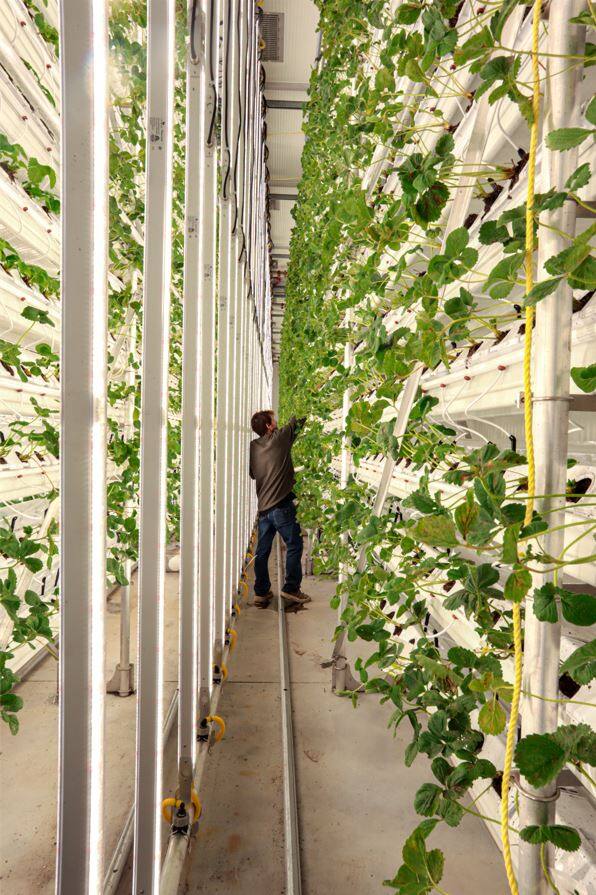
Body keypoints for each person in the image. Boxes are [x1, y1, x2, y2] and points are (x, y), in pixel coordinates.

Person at [249, 410, 311, 609]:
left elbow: (252, 473)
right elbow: (297, 422)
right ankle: (291, 588)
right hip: (281, 506)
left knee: (263, 551)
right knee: (294, 544)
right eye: (273, 420)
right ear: (269, 426)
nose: (276, 422)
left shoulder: (254, 446)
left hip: (264, 508)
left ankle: (261, 592)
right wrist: (309, 401)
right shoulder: (279, 438)